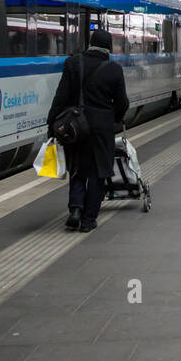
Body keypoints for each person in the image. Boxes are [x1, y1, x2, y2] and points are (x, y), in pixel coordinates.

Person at [47, 28, 128, 232]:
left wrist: (51, 125)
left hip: (76, 127)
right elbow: (122, 103)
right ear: (108, 48)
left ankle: (75, 209)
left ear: (90, 44)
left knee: (77, 169)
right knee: (98, 174)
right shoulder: (114, 69)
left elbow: (60, 97)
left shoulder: (73, 63)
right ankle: (88, 220)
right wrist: (115, 119)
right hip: (102, 128)